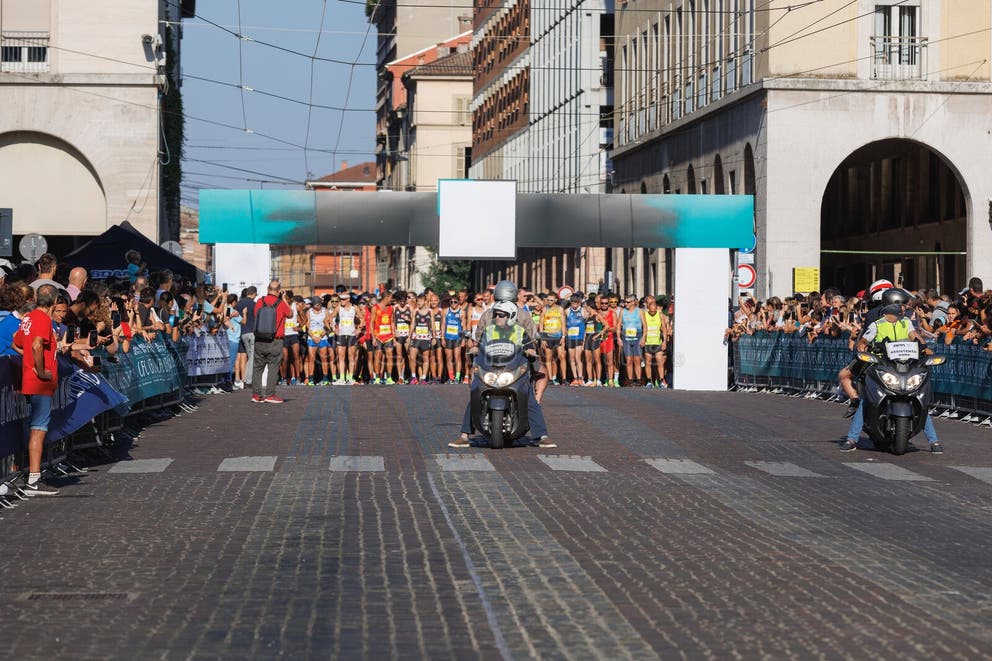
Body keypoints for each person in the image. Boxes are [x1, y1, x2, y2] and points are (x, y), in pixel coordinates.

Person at [449, 300, 556, 449]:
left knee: (528, 396)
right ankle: (464, 436)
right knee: (475, 393)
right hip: (493, 368)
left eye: (501, 315)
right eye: (496, 314)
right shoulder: (489, 330)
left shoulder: (520, 331)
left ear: (511, 316)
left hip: (514, 369)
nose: (497, 317)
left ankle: (541, 436)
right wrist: (476, 349)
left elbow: (530, 346)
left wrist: (531, 350)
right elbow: (480, 345)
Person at [840, 303, 943, 453]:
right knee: (868, 399)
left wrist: (925, 348)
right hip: (881, 365)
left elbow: (915, 337)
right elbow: (864, 341)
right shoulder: (877, 325)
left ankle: (933, 441)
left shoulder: (905, 322)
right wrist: (862, 348)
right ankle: (852, 438)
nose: (903, 309)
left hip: (905, 365)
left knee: (918, 398)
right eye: (900, 306)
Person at [13, 284, 61, 495]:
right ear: (54, 302)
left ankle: (32, 475)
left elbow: (17, 342)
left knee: (35, 427)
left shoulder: (28, 317)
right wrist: (41, 370)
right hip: (39, 382)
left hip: (29, 380)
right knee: (38, 429)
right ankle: (34, 479)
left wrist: (29, 362)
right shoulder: (42, 319)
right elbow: (35, 345)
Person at [251, 280, 292, 403]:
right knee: (273, 367)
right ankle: (270, 394)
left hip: (259, 339)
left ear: (267, 289)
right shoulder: (281, 303)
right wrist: (284, 299)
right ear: (279, 291)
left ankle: (256, 395)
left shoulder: (260, 301)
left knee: (258, 367)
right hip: (275, 340)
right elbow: (290, 314)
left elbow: (255, 314)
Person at [618, 295, 646, 385]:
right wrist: (618, 338)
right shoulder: (623, 312)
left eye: (628, 302)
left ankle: (638, 380)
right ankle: (630, 380)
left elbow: (645, 326)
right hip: (626, 338)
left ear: (634, 302)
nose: (626, 304)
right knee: (629, 360)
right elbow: (618, 325)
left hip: (637, 337)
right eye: (625, 302)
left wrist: (643, 338)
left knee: (637, 360)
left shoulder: (640, 311)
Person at [235, 286, 258, 386]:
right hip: (252, 333)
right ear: (254, 294)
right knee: (252, 357)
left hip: (241, 332)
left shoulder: (238, 303)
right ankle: (248, 380)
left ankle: (244, 379)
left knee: (247, 356)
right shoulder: (255, 304)